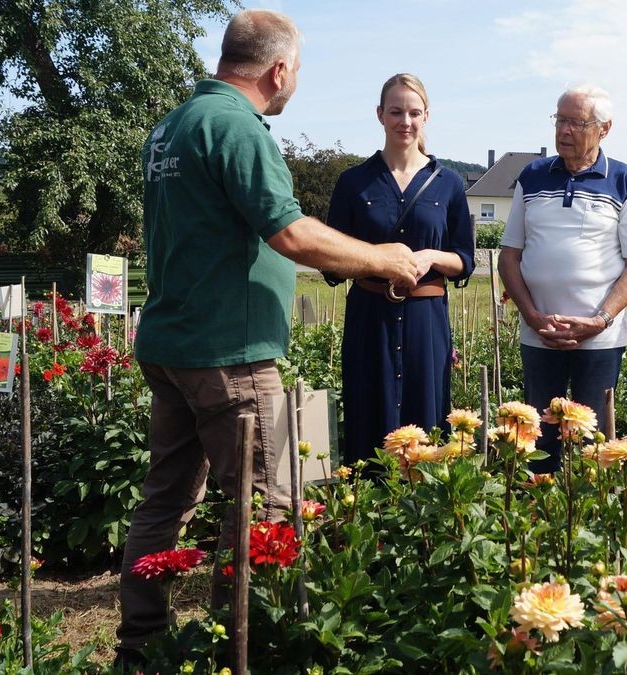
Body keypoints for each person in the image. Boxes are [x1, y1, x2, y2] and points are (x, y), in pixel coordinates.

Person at [116, 9, 418, 670]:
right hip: (230, 351)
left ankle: (139, 647)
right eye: (299, 71)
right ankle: (241, 649)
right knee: (262, 508)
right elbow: (290, 233)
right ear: (279, 70)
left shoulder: (173, 126)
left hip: (172, 339)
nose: (296, 82)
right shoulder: (236, 128)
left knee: (164, 499)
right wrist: (385, 258)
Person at [499, 84, 627, 474]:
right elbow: (509, 257)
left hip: (598, 340)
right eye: (560, 120)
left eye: (575, 122)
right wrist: (534, 317)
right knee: (537, 440)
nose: (563, 131)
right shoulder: (531, 177)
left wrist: (599, 321)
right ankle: (536, 520)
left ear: (604, 129)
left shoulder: (623, 181)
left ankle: (592, 527)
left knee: (595, 442)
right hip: (540, 335)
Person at [324, 73, 475, 464]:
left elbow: (464, 259)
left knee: (427, 414)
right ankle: (367, 507)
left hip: (427, 318)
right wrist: (374, 258)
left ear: (426, 117)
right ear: (380, 115)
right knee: (367, 407)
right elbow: (331, 261)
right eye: (395, 112)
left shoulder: (449, 185)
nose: (404, 121)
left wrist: (429, 258)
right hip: (369, 318)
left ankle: (423, 512)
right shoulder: (353, 183)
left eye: (413, 112)